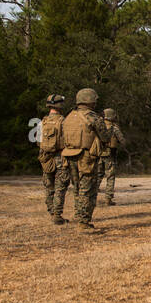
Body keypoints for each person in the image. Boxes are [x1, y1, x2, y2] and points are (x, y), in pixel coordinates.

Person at [60, 88, 111, 230]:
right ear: (90, 101)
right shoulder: (92, 117)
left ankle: (78, 215)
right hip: (86, 157)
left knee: (77, 188)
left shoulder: (69, 116)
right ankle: (84, 222)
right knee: (87, 189)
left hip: (69, 155)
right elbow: (105, 137)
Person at [38, 95, 70, 224]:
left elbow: (38, 141)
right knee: (60, 186)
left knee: (48, 185)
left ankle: (51, 211)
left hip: (45, 157)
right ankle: (57, 214)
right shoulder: (63, 121)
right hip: (60, 156)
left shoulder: (43, 121)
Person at [100, 108, 125, 205]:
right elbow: (122, 141)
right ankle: (108, 199)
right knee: (110, 177)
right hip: (110, 155)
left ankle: (91, 198)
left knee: (97, 176)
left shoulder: (99, 127)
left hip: (98, 154)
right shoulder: (114, 128)